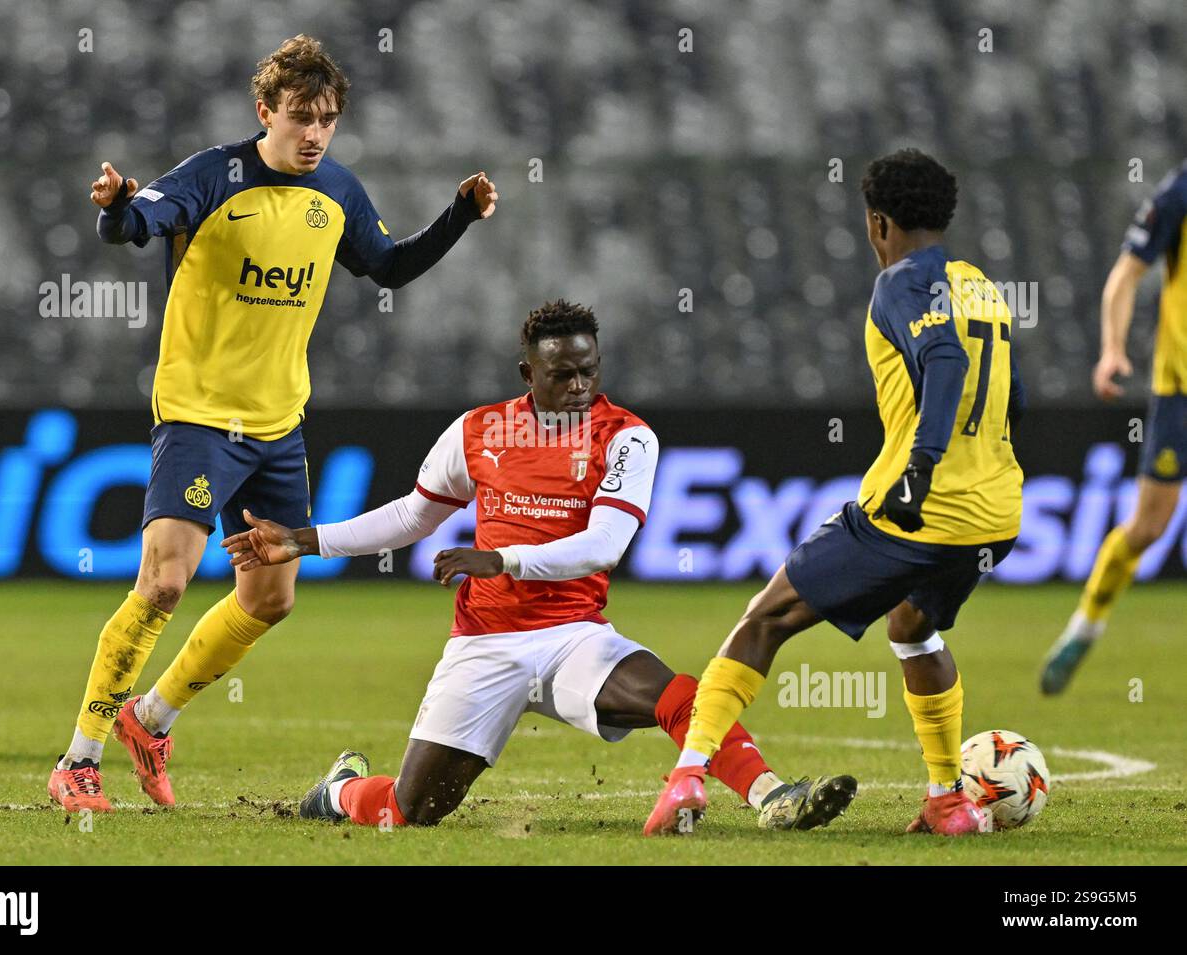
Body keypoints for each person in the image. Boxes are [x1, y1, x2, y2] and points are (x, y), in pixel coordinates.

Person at [48, 34, 498, 813]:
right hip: (197, 413)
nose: (315, 133)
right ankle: (78, 760)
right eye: (301, 117)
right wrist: (117, 207)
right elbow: (136, 225)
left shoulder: (340, 191)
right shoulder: (212, 175)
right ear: (266, 113)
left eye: (328, 119)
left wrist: (457, 216)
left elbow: (387, 266)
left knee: (270, 599)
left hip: (278, 423)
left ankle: (150, 720)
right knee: (162, 583)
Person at [223, 300, 856, 830]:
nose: (579, 387)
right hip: (485, 644)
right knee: (409, 812)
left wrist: (499, 559)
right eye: (562, 375)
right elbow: (414, 514)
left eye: (589, 371)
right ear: (529, 371)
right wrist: (306, 541)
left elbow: (604, 545)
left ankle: (774, 797)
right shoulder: (478, 431)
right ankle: (338, 792)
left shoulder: (627, 436)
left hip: (573, 636)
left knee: (678, 696)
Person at [645, 148, 1024, 837]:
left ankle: (687, 776)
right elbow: (1012, 395)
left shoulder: (901, 281)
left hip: (917, 509)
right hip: (994, 514)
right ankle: (949, 799)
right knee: (913, 626)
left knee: (766, 616)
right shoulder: (980, 286)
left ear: (878, 224)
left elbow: (944, 360)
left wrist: (923, 465)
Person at [1041, 161, 1187, 694]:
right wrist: (1112, 350)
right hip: (1181, 391)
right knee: (1147, 527)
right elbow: (1127, 274)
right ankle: (1084, 627)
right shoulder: (1180, 192)